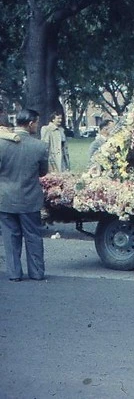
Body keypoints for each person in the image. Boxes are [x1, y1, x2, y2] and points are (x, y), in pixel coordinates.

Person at [0, 109, 49, 281]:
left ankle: (14, 273)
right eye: (36, 122)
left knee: (10, 238)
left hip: (5, 198)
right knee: (33, 236)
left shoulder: (1, 144)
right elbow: (43, 172)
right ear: (30, 124)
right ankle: (36, 272)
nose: (37, 125)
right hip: (29, 198)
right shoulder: (40, 146)